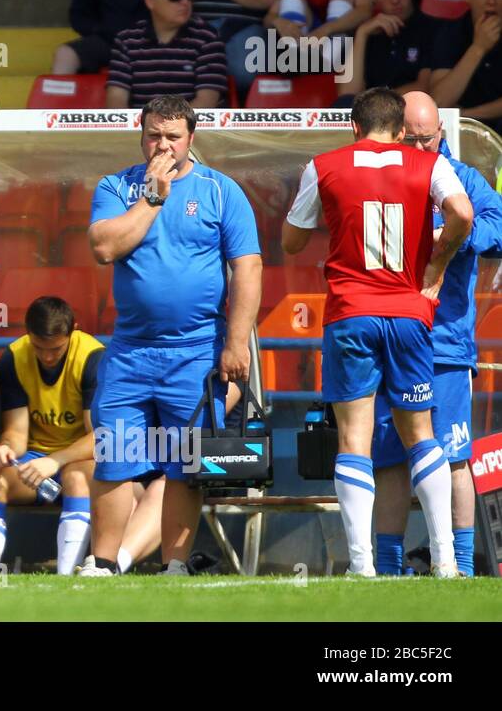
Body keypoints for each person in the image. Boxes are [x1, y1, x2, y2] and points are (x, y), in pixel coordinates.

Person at [282, 86, 471, 577]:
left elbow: (290, 240)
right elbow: (464, 215)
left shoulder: (324, 165)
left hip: (351, 312)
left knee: (354, 437)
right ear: (403, 129)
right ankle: (447, 561)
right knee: (421, 434)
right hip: (409, 313)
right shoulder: (428, 165)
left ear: (353, 127)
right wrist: (437, 266)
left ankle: (362, 566)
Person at [85, 94, 261, 576]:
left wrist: (236, 343)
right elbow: (104, 247)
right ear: (141, 135)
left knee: (185, 464)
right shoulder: (116, 186)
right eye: (153, 135)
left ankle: (175, 566)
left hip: (196, 351)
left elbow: (247, 267)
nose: (161, 145)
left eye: (172, 136)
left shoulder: (221, 190)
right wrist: (153, 197)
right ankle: (103, 565)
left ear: (191, 139)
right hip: (129, 352)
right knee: (114, 458)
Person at [369, 91, 502, 578]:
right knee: (388, 458)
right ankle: (386, 565)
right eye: (413, 138)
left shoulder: (463, 179)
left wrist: (455, 234)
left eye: (429, 139)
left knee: (453, 456)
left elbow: (499, 228)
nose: (422, 147)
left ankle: (462, 564)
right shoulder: (380, 175)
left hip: (444, 342)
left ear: (441, 134)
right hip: (387, 336)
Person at [0, 296, 104, 576]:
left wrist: (55, 461)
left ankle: (68, 581)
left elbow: (99, 438)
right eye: (39, 347)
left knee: (75, 477)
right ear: (28, 334)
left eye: (56, 348)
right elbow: (17, 432)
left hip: (80, 457)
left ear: (73, 331)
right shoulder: (15, 357)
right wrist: (5, 448)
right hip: (36, 460)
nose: (48, 356)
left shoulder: (92, 357)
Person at [107, 0, 227, 108]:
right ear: (150, 1)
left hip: (193, 129)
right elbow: (116, 100)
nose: (185, 2)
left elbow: (206, 103)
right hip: (142, 130)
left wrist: (165, 128)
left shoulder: (208, 38)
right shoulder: (126, 41)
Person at [337, 0, 437, 103]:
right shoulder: (363, 34)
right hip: (371, 120)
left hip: (411, 111)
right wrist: (362, 34)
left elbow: (424, 87)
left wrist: (374, 103)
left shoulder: (434, 29)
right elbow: (347, 94)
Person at [428, 0, 502, 133]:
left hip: (473, 121)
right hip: (461, 132)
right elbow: (439, 103)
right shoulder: (451, 33)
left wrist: (467, 115)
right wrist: (478, 48)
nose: (491, 1)